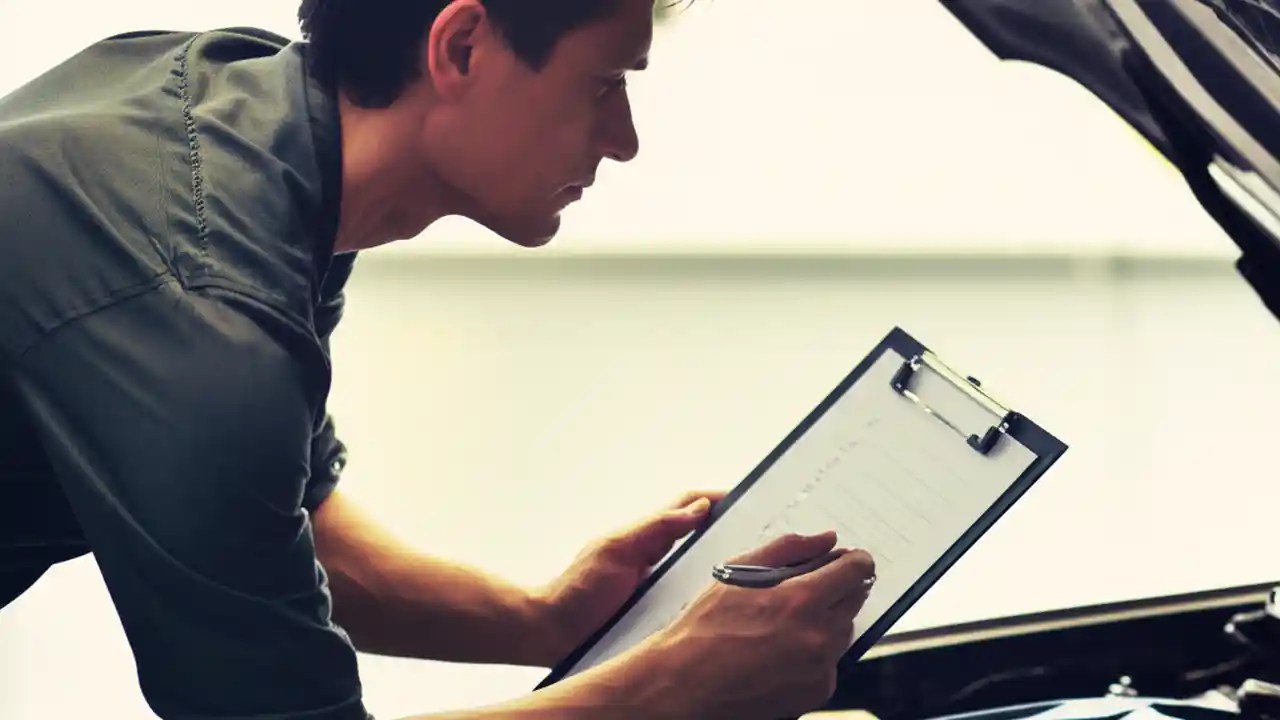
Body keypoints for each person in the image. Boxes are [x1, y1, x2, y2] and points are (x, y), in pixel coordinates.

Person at [0, 1, 877, 718]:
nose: (624, 139)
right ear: (461, 48)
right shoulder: (205, 308)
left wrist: (544, 622)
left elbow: (282, 529)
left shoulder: (247, 123)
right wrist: (666, 690)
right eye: (605, 83)